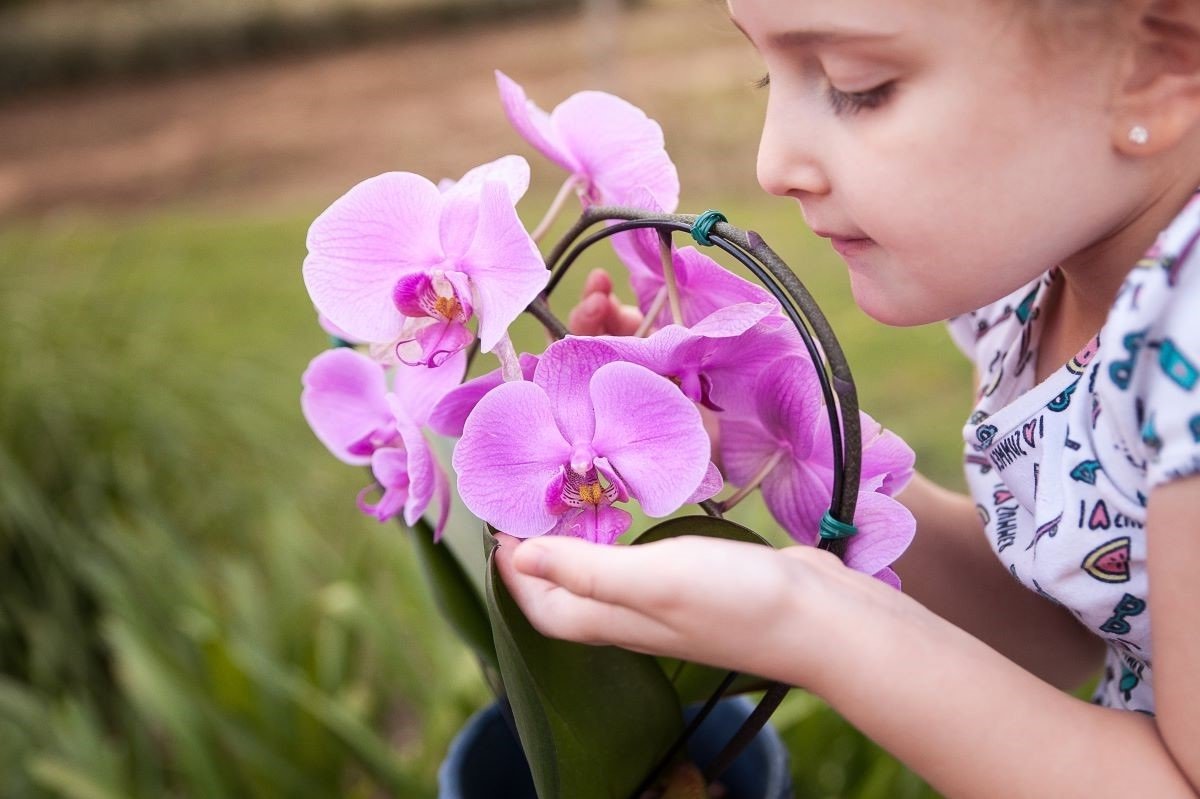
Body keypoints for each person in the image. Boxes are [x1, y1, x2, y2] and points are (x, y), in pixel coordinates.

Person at [493, 1, 1200, 795]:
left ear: (1153, 69)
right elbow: (1059, 623)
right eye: (770, 72)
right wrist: (737, 427)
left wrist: (816, 624)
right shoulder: (1033, 284)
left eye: (856, 84)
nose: (772, 162)